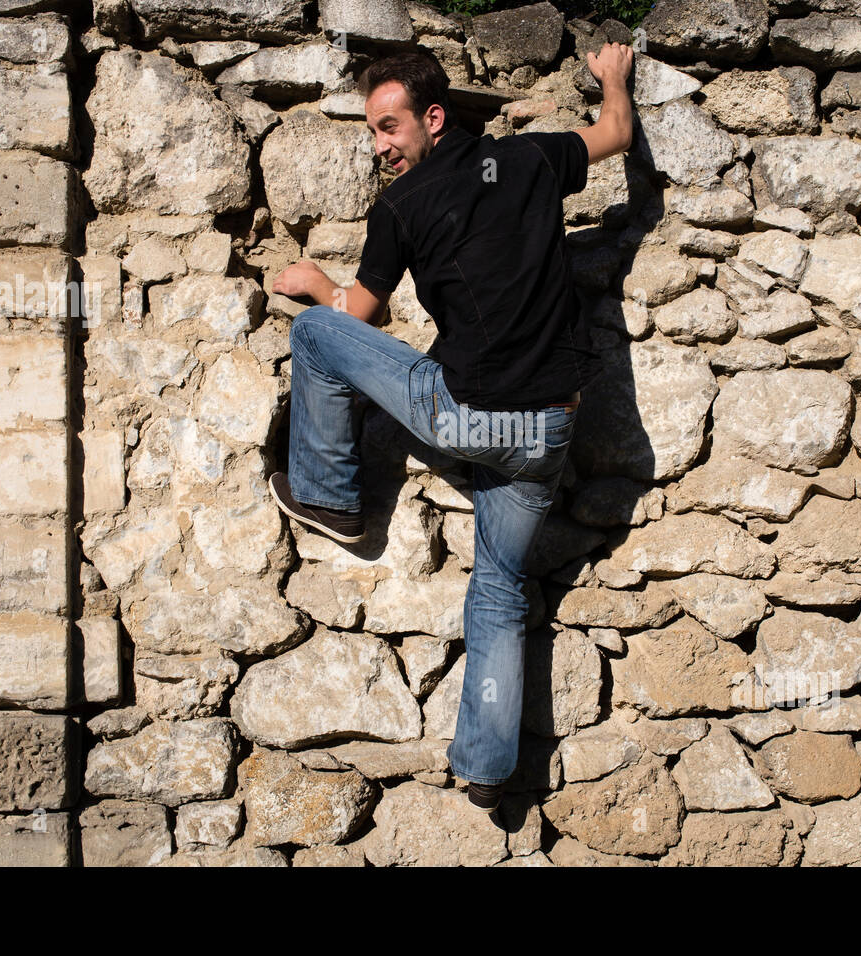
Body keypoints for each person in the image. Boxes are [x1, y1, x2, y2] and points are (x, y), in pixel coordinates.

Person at [268, 41, 634, 814]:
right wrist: (613, 80)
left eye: (389, 127)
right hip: (551, 434)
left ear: (433, 118)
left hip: (471, 419)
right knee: (499, 591)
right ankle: (488, 767)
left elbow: (357, 317)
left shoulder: (401, 209)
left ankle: (331, 495)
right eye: (373, 131)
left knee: (313, 338)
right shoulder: (531, 160)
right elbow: (617, 135)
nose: (380, 147)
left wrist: (315, 284)